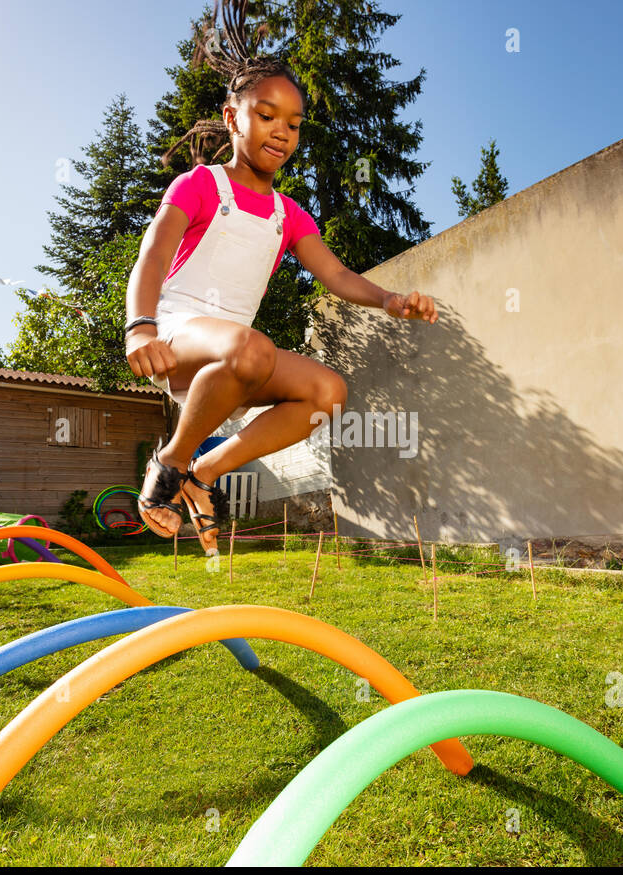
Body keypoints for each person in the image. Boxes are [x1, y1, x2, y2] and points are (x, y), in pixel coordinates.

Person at [125, 53, 437, 556]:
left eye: (293, 124)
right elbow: (154, 254)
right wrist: (139, 327)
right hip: (177, 335)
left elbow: (335, 273)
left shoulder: (288, 214)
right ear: (232, 117)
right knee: (251, 347)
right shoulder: (201, 184)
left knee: (328, 392)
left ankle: (205, 471)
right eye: (266, 116)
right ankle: (170, 462)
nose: (282, 132)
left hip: (234, 364)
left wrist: (389, 300)